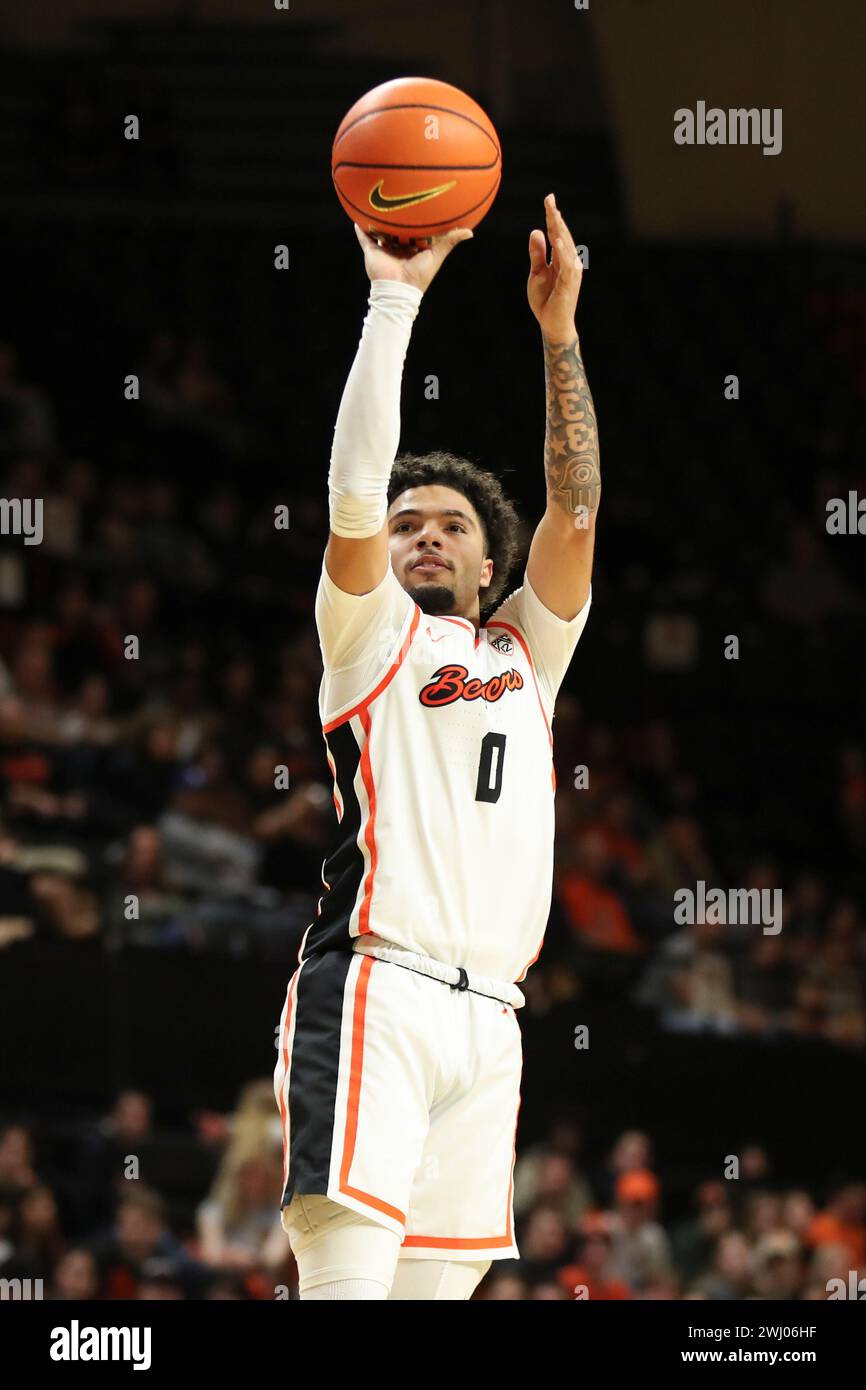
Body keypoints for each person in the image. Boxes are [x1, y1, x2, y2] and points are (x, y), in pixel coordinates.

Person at [273, 194, 600, 1300]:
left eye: (448, 523)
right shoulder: (367, 633)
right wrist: (392, 296)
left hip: (491, 1022)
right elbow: (352, 494)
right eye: (409, 523)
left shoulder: (524, 652)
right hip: (376, 993)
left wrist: (557, 332)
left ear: (485, 558)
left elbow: (577, 507)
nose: (420, 532)